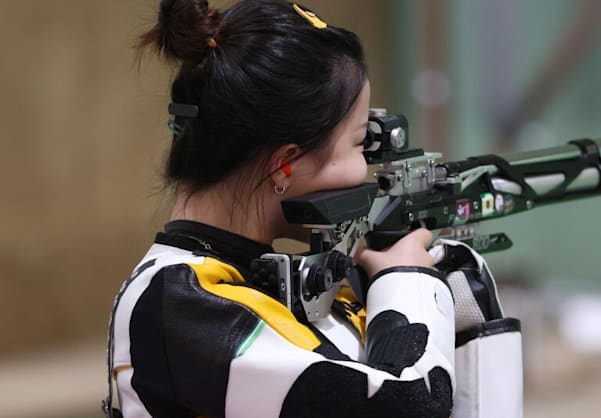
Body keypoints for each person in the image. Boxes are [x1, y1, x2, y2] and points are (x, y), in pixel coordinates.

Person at [105, 1, 523, 417]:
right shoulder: (177, 304)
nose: (367, 171)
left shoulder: (277, 281)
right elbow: (406, 404)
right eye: (360, 143)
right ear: (286, 162)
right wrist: (406, 280)